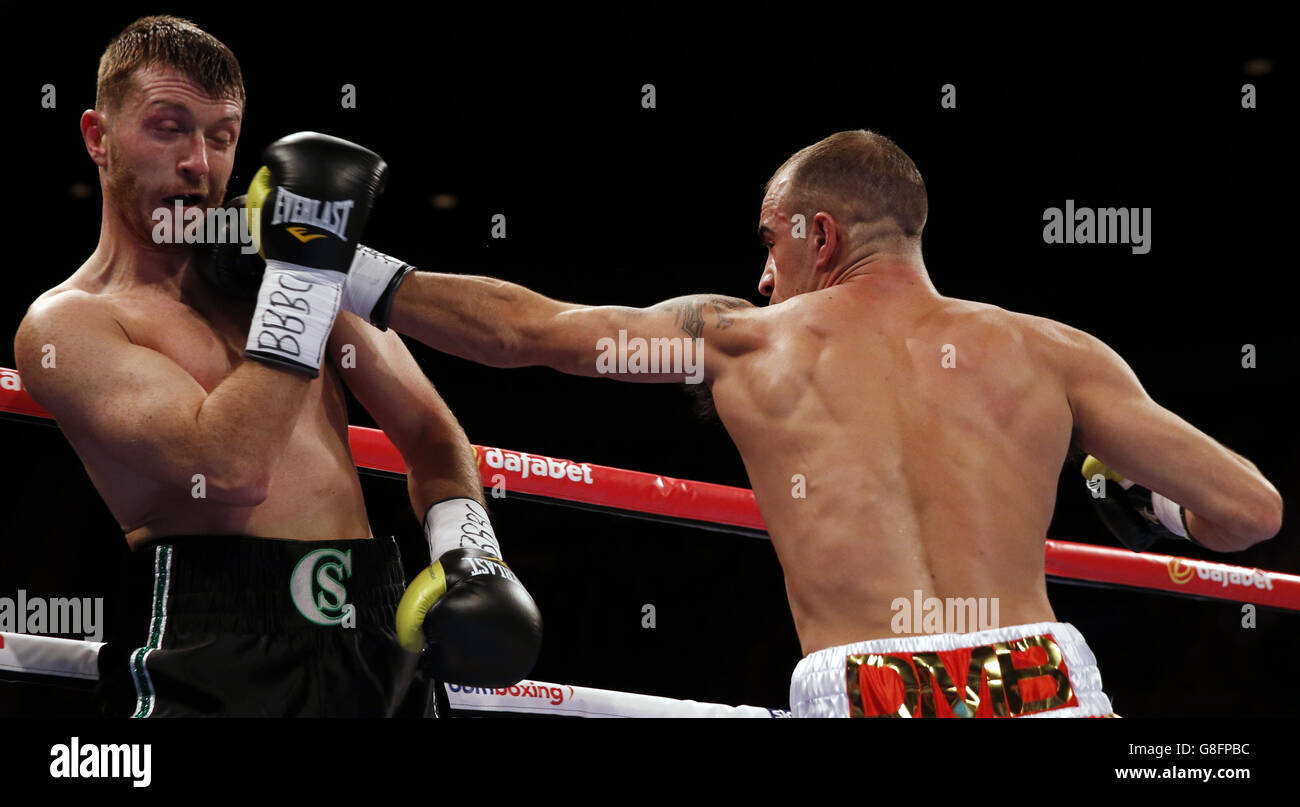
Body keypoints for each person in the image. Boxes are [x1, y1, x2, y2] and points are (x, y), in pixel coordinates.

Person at [349, 129, 1284, 717]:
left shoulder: (747, 341)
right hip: (1042, 681)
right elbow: (1250, 510)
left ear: (820, 235)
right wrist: (1152, 514)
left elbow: (527, 333)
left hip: (868, 687)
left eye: (769, 241)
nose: (762, 274)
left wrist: (343, 266)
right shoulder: (1054, 350)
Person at [12, 16, 539, 717]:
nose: (199, 162)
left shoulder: (276, 256)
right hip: (211, 639)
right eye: (168, 127)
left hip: (371, 626)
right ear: (97, 138)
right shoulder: (71, 323)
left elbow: (432, 434)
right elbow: (230, 468)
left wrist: (469, 552)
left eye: (222, 136)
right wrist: (304, 280)